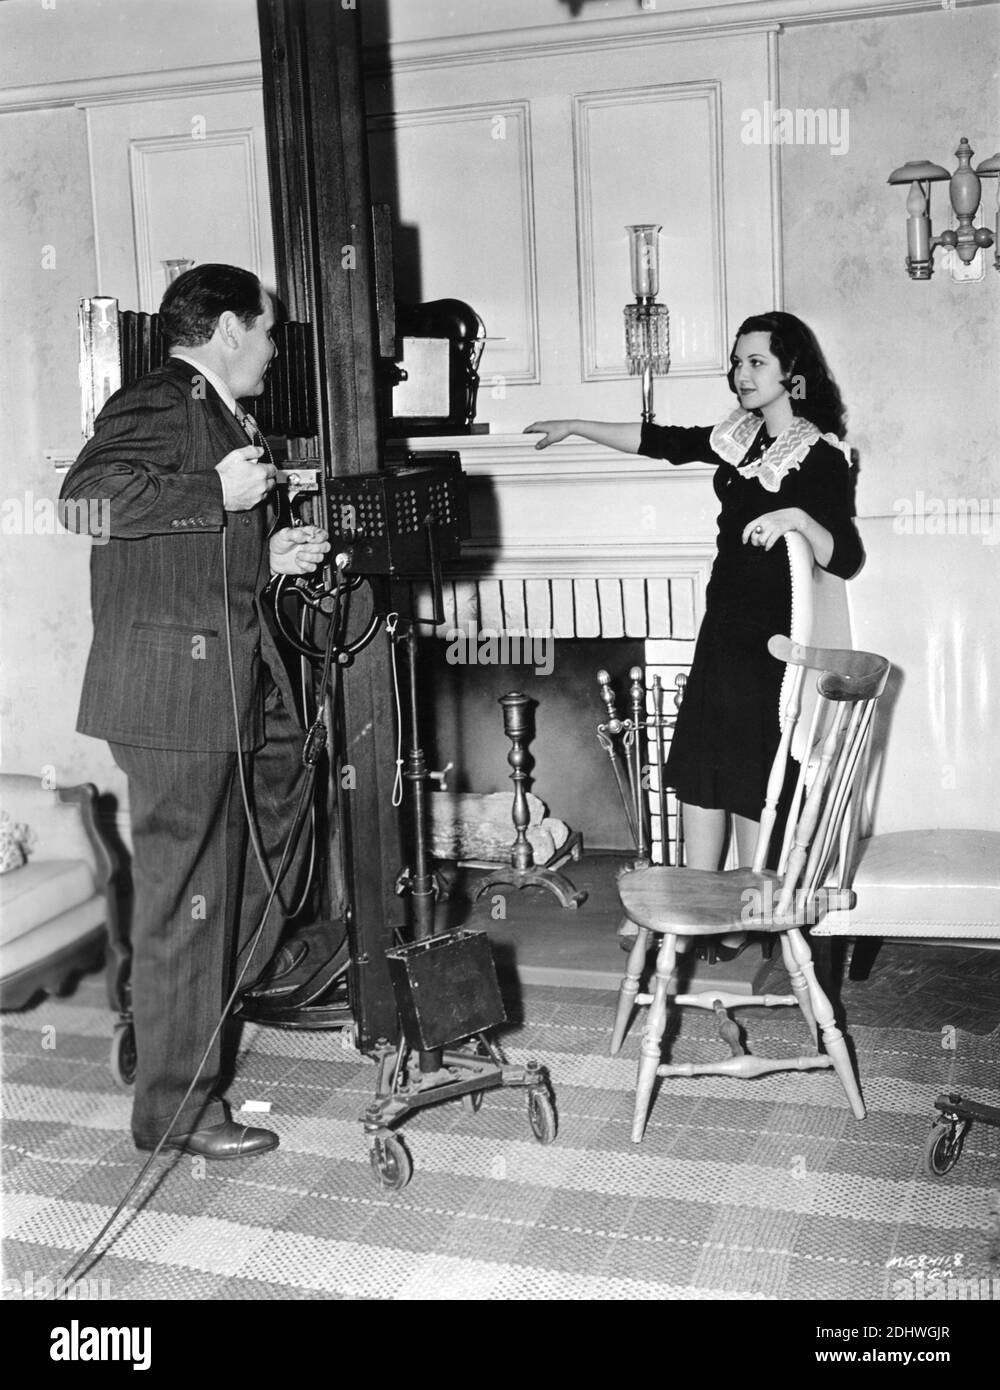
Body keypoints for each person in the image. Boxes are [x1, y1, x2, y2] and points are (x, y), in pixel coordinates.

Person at [60, 264, 330, 1159]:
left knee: (277, 832)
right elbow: (89, 502)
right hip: (175, 695)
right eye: (267, 329)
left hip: (226, 680)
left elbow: (186, 556)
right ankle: (175, 1105)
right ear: (225, 329)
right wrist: (218, 494)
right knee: (191, 896)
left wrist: (267, 554)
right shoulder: (163, 399)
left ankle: (173, 1018)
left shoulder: (207, 410)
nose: (275, 345)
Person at [526, 311, 863, 893]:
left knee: (751, 772)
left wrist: (797, 517)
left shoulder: (820, 454)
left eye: (756, 362)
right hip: (724, 625)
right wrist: (577, 424)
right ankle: (700, 899)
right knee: (704, 765)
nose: (741, 374)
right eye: (737, 362)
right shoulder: (743, 436)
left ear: (793, 372)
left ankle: (749, 909)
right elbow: (661, 442)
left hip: (771, 639)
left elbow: (847, 556)